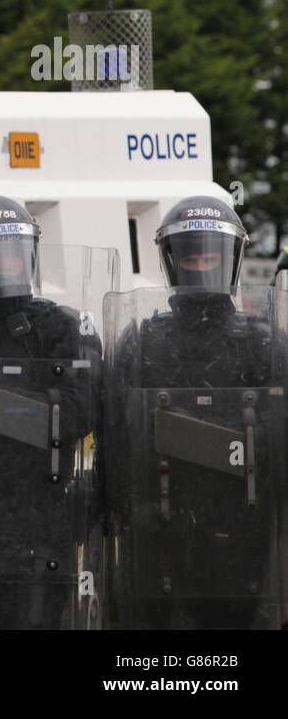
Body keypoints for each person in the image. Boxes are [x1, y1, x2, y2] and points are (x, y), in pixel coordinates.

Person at [106, 196, 281, 628]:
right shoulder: (142, 340)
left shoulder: (261, 343)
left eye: (211, 257)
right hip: (160, 520)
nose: (202, 267)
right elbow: (116, 437)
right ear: (172, 262)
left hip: (242, 520)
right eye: (191, 257)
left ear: (232, 259)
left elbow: (279, 439)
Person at [0, 196, 105, 629]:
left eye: (15, 253)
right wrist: (29, 406)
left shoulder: (61, 326)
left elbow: (78, 411)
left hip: (42, 520)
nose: (7, 265)